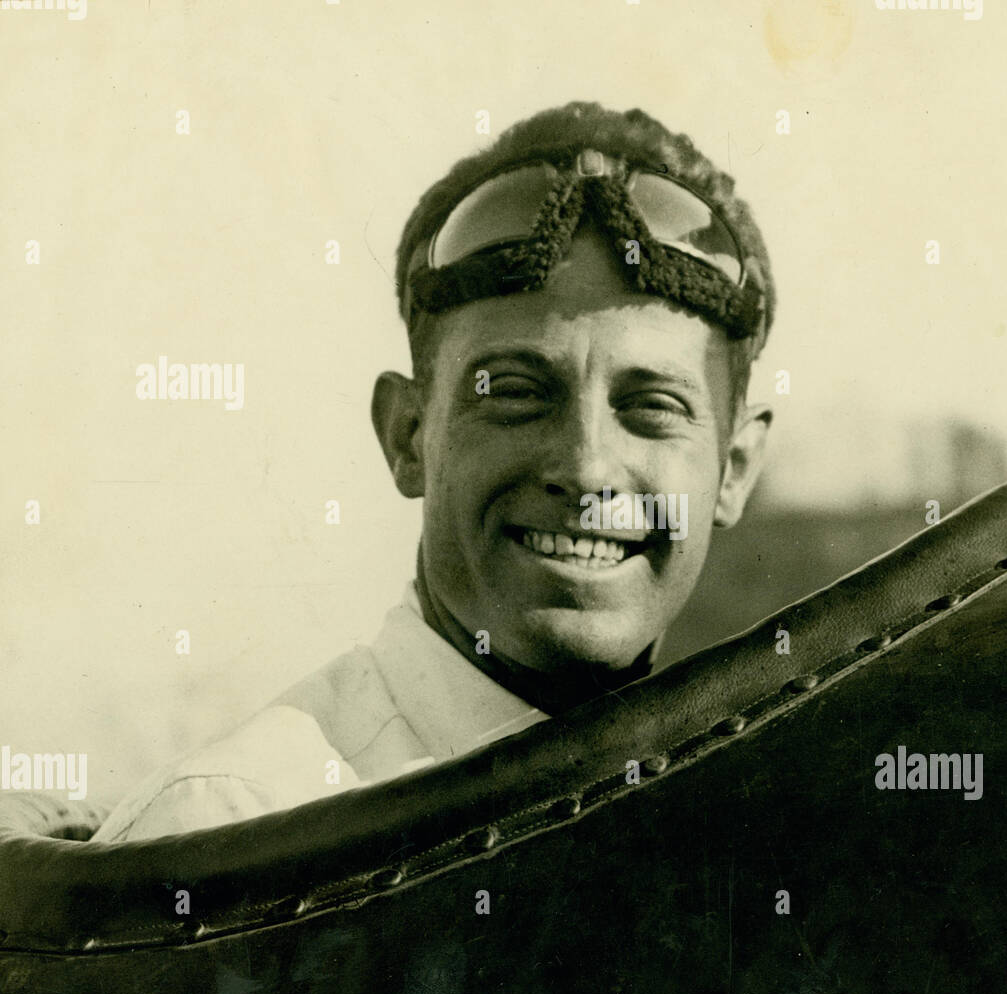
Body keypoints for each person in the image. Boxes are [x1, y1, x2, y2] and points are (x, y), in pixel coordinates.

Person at [93, 101, 777, 842]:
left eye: (651, 407)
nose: (585, 469)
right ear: (408, 435)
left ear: (734, 468)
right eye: (516, 394)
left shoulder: (754, 829)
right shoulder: (233, 827)